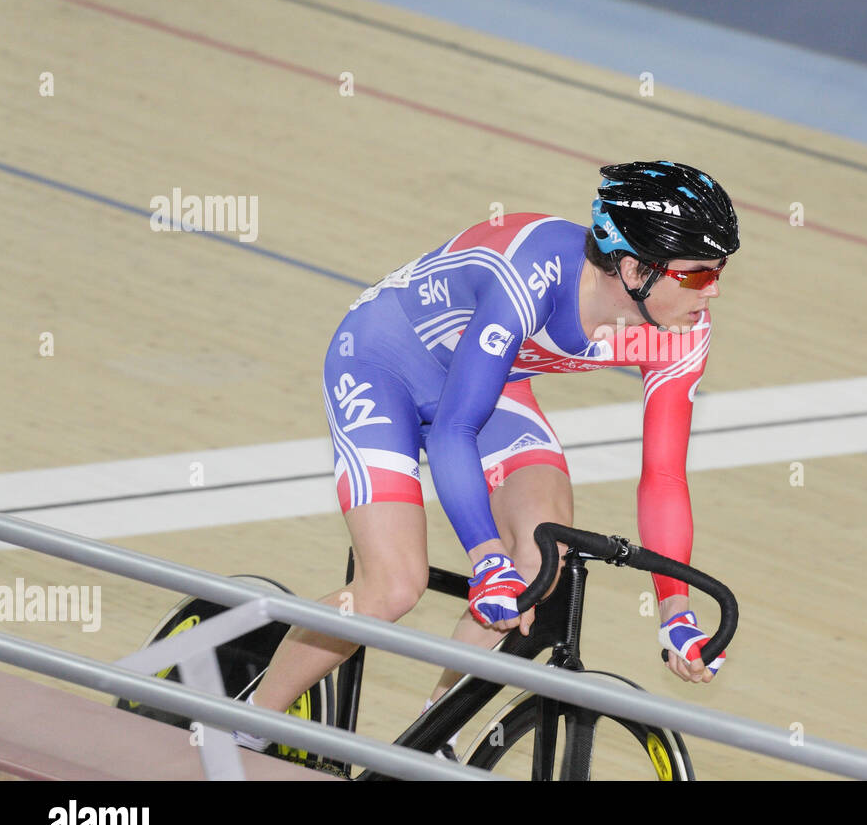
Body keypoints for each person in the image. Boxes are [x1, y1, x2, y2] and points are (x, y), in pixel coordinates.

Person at [233, 160, 738, 757]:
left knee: (542, 557)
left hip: (489, 384)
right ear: (632, 268)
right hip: (384, 364)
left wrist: (674, 613)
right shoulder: (532, 273)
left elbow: (662, 476)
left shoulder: (681, 329)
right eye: (700, 275)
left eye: (720, 272)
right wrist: (484, 557)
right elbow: (454, 430)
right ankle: (240, 728)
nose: (715, 290)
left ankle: (432, 735)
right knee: (394, 585)